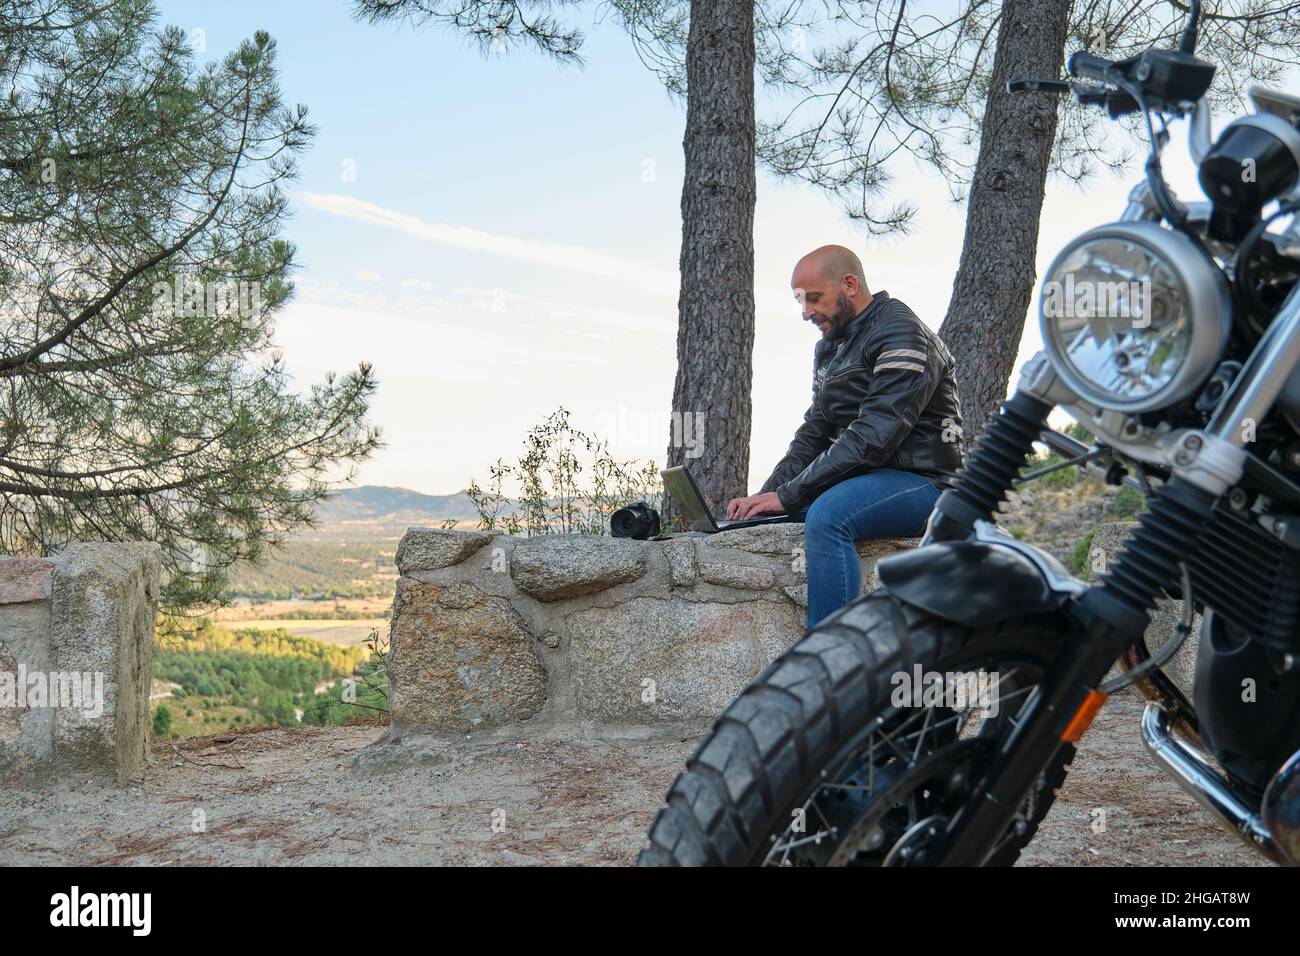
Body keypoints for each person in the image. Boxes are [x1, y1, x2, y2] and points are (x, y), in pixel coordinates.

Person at [726, 245, 964, 627]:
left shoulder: (902, 332)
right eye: (800, 302)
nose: (805, 313)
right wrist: (763, 500)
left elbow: (875, 437)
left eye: (814, 299)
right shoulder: (829, 349)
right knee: (771, 517)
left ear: (849, 284)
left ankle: (830, 662)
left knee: (829, 516)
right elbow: (812, 435)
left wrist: (789, 495)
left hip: (927, 484)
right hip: (865, 481)